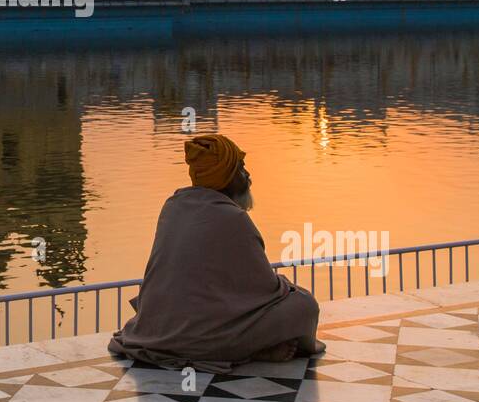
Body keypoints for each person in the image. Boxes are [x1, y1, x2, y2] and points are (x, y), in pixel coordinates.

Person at [108, 133, 325, 372]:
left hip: (157, 326)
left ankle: (252, 347)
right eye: (241, 169)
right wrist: (285, 286)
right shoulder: (233, 218)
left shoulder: (173, 205)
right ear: (227, 178)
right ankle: (250, 348)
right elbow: (265, 290)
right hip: (203, 336)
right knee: (304, 305)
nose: (248, 176)